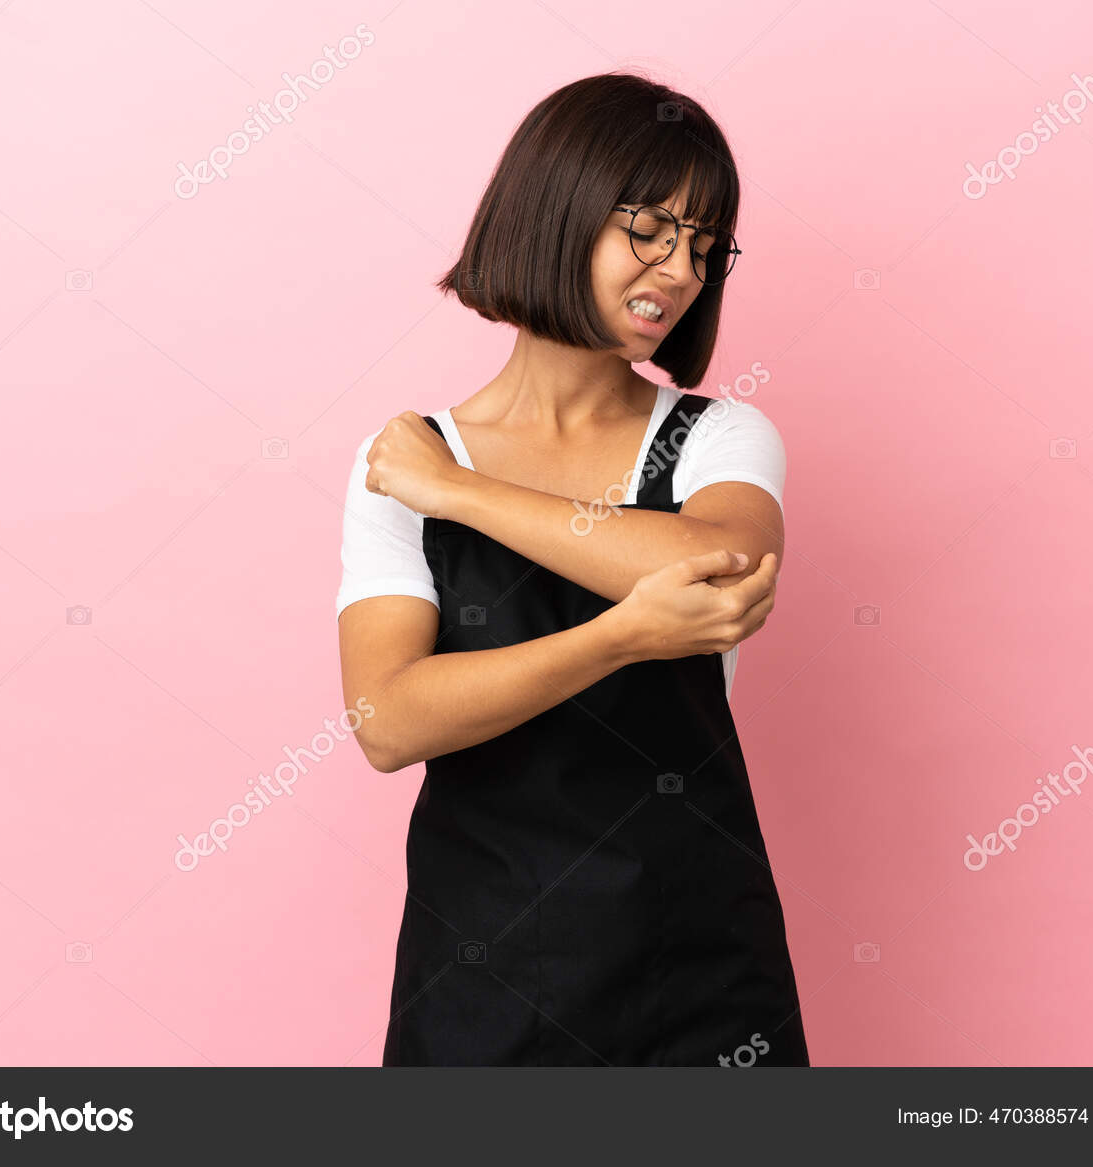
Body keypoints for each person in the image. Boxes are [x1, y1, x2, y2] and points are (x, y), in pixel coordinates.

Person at [335, 71, 809, 1066]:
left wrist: (461, 494)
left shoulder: (719, 438)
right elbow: (388, 720)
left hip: (699, 972)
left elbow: (720, 565)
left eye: (703, 245)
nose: (681, 269)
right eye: (651, 229)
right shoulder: (400, 465)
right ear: (556, 207)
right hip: (482, 976)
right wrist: (618, 638)